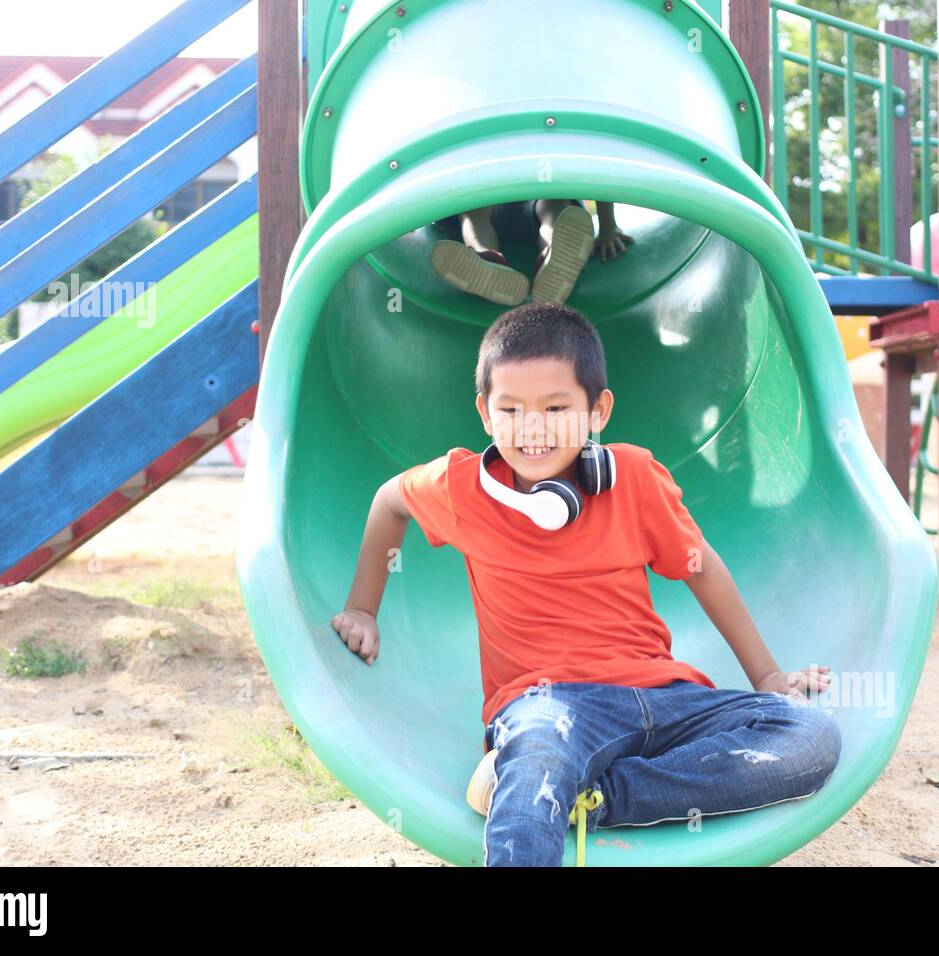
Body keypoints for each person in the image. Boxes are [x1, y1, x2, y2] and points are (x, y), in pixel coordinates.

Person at [329, 301, 840, 867]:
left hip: (662, 696)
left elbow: (702, 567)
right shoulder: (462, 488)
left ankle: (596, 798)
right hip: (547, 704)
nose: (533, 429)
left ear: (598, 410)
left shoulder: (635, 477)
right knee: (537, 758)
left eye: (556, 407)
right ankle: (542, 784)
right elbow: (389, 502)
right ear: (484, 413)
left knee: (807, 735)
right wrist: (362, 609)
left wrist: (767, 676)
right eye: (511, 409)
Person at [429, 200, 632, 307]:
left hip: (488, 204)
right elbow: (593, 162)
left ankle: (485, 256)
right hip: (535, 204)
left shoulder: (476, 137)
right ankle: (550, 254)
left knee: (474, 213)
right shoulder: (553, 132)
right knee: (554, 205)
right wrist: (608, 226)